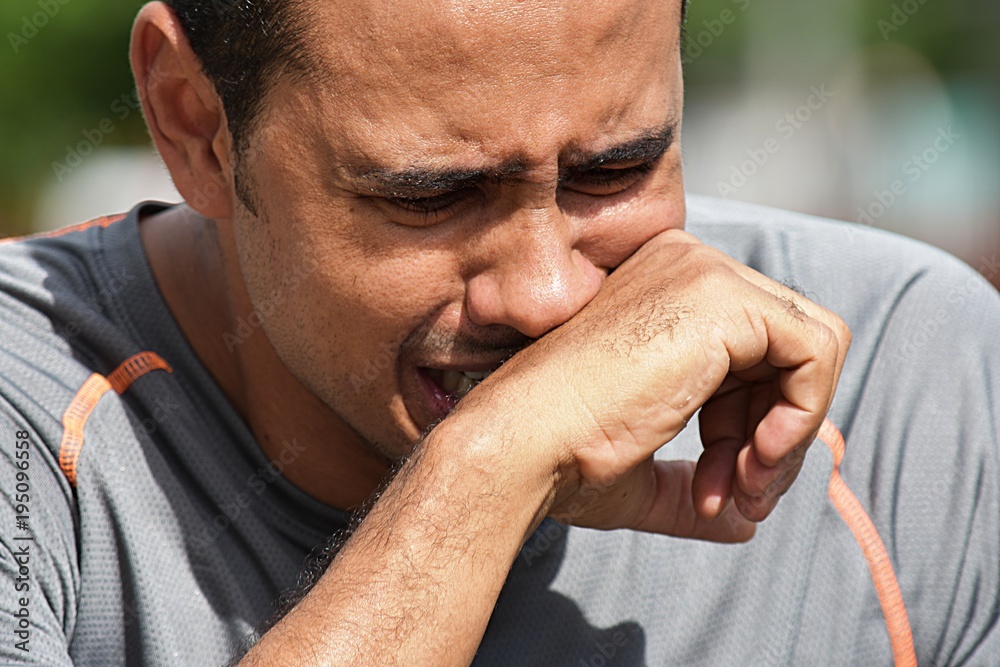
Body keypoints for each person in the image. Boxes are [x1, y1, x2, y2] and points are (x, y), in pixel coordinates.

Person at [0, 0, 996, 664]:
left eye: (616, 170)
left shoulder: (911, 376)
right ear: (194, 124)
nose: (548, 298)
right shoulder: (28, 420)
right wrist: (486, 472)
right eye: (433, 196)